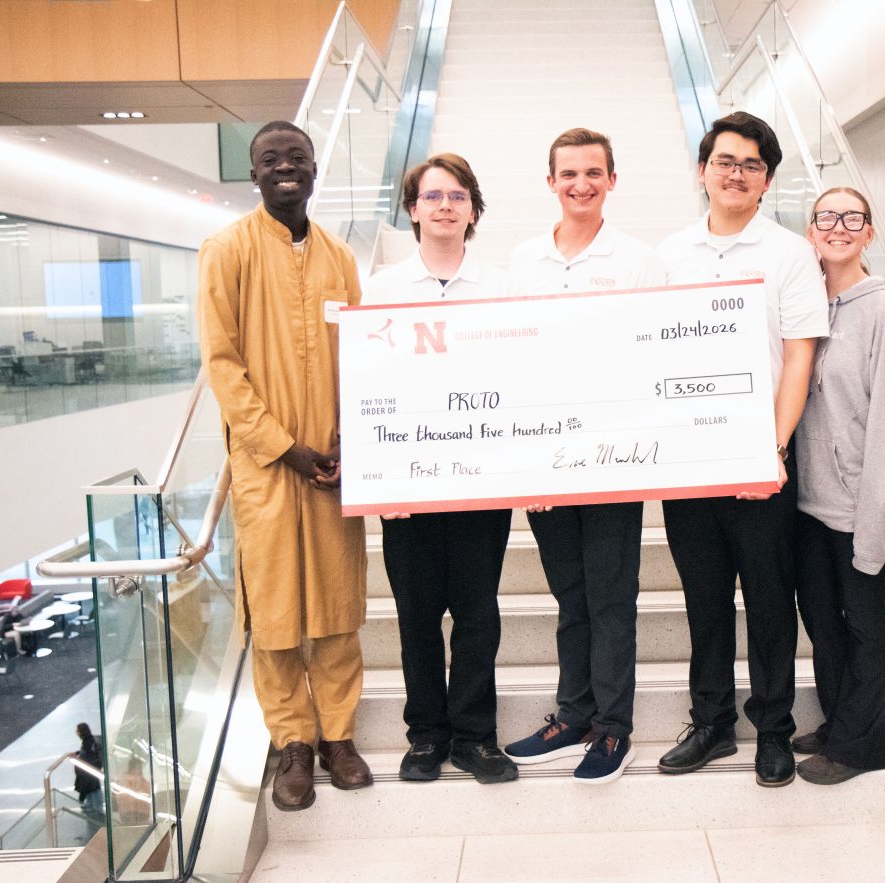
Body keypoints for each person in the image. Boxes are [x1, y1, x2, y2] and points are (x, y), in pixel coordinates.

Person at [198, 120, 373, 811]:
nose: (285, 168)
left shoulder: (338, 257)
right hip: (268, 469)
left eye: (295, 157)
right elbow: (223, 365)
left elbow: (362, 357)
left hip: (333, 465)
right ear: (254, 175)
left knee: (336, 604)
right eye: (270, 160)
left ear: (313, 169)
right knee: (273, 613)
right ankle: (293, 742)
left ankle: (339, 736)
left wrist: (350, 440)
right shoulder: (227, 250)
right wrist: (282, 446)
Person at [654, 112, 828, 787]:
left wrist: (772, 449)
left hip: (762, 462)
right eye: (724, 160)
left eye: (751, 164)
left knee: (767, 600)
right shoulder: (667, 256)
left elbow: (798, 357)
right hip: (689, 464)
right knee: (703, 599)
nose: (735, 172)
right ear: (702, 171)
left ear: (768, 180)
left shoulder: (788, 254)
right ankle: (711, 722)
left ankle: (774, 730)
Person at [503, 128, 665, 783]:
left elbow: (651, 353)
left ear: (612, 180)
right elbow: (512, 360)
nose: (581, 184)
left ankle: (612, 729)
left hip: (613, 457)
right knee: (570, 595)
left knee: (611, 599)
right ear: (549, 182)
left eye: (593, 173)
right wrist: (526, 462)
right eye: (568, 174)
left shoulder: (637, 259)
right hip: (547, 460)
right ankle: (573, 715)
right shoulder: (523, 261)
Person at [365, 153, 517, 785]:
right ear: (413, 209)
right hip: (409, 486)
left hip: (482, 482)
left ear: (473, 209)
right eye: (433, 196)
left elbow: (519, 385)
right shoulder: (382, 290)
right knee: (417, 617)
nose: (446, 205)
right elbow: (369, 385)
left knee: (479, 616)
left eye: (458, 196)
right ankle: (426, 735)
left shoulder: (503, 287)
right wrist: (379, 479)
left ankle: (476, 737)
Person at [791, 187, 885, 785]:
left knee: (865, 623)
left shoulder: (884, 310)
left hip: (859, 501)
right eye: (826, 217)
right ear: (810, 229)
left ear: (869, 233)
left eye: (852, 218)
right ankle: (841, 720)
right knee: (822, 620)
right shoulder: (806, 302)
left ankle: (863, 744)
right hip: (808, 502)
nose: (837, 227)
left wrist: (878, 519)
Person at [72, 722, 103, 818]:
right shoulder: (89, 740)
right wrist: (77, 753)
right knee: (92, 788)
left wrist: (79, 758)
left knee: (92, 789)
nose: (76, 732)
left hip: (89, 771)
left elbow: (88, 755)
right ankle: (93, 807)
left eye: (77, 730)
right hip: (91, 770)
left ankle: (96, 808)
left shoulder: (87, 742)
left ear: (81, 731)